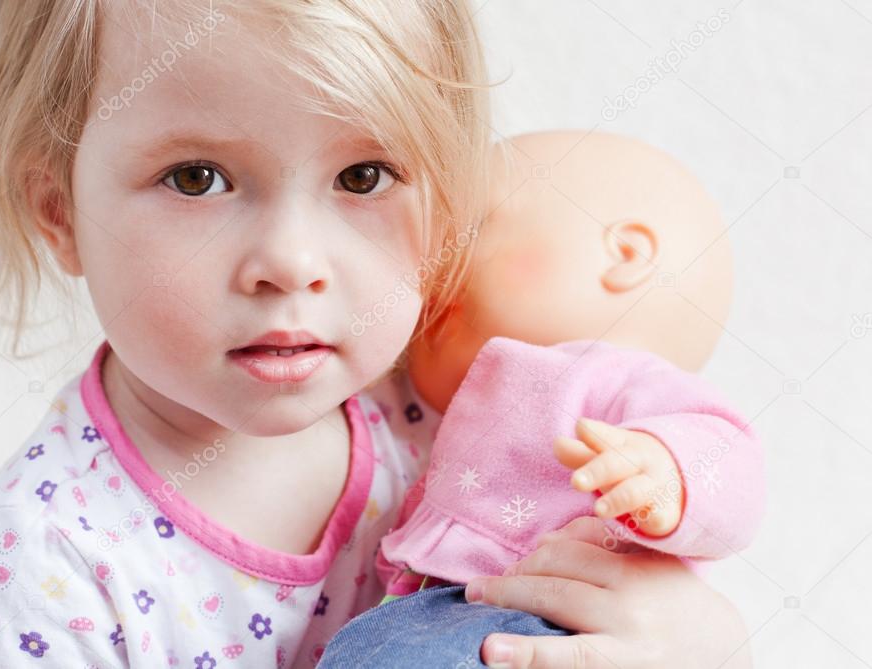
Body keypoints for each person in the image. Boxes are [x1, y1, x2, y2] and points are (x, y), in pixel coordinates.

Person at [0, 2, 756, 667]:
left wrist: (700, 643)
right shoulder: (40, 573)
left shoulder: (440, 419)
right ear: (59, 209)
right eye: (195, 177)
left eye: (363, 175)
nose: (291, 261)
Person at [319, 132, 764, 667]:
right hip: (435, 614)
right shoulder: (435, 414)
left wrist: (665, 471)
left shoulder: (624, 380)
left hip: (541, 620)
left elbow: (730, 457)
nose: (437, 264)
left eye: (473, 228)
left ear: (626, 255)